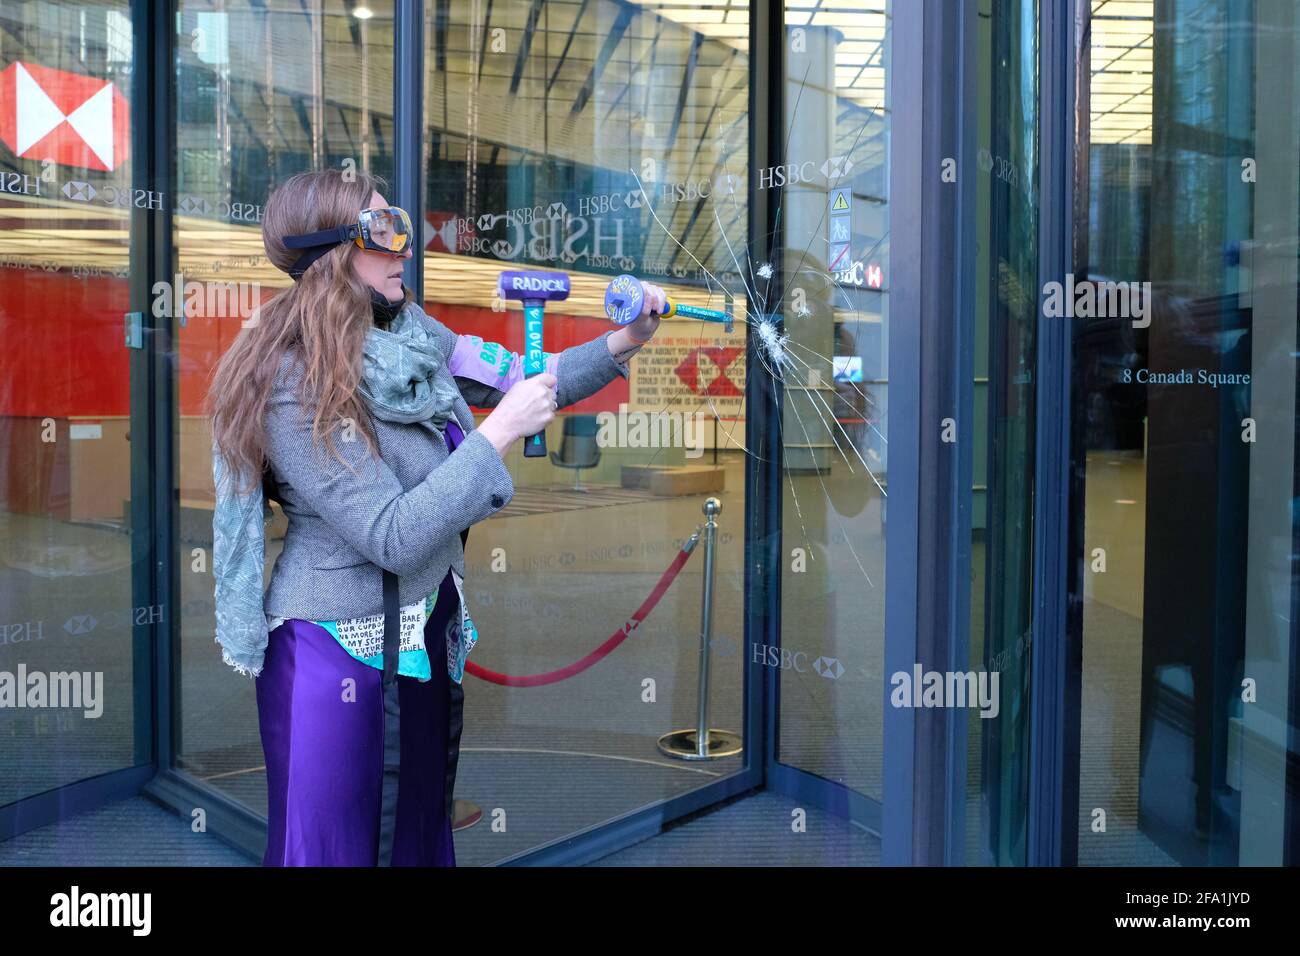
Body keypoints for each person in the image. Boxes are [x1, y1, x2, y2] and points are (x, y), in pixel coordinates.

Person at [205, 168, 665, 866]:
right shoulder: (292, 379)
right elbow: (389, 533)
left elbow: (520, 376)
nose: (405, 249)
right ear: (334, 252)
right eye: (385, 231)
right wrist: (497, 434)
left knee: (418, 834)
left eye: (403, 228)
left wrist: (626, 339)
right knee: (337, 850)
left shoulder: (411, 332)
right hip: (336, 654)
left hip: (424, 636)